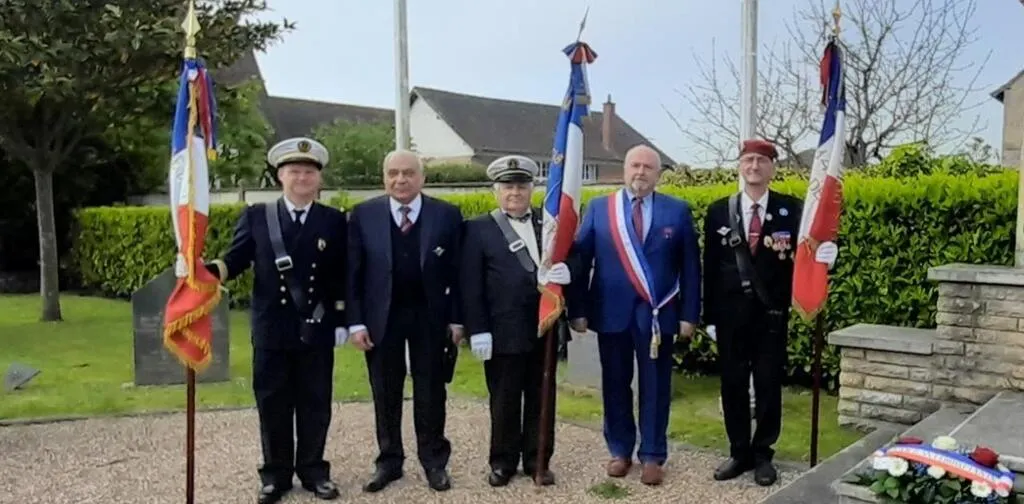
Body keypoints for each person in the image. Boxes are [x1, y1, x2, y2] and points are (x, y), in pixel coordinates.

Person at [205, 137, 347, 503]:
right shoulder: (256, 216)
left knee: (316, 402)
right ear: (280, 176)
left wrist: (344, 318)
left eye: (309, 172)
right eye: (294, 171)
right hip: (272, 328)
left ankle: (314, 471)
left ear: (319, 179)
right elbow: (234, 260)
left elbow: (341, 275)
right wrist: (205, 273)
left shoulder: (333, 220)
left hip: (316, 326)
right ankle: (276, 475)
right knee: (272, 402)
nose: (302, 177)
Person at [702, 139, 837, 486]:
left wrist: (827, 257)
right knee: (732, 385)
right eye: (748, 160)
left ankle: (763, 454)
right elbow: (710, 269)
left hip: (771, 316)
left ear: (772, 168)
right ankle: (738, 452)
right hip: (730, 317)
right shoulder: (719, 211)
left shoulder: (791, 210)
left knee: (767, 386)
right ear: (739, 166)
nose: (754, 167)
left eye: (762, 161)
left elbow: (809, 254)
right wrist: (710, 317)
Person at [567, 144, 701, 486]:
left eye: (648, 167)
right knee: (614, 384)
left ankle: (654, 454)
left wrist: (690, 314)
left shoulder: (678, 211)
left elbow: (690, 268)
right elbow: (580, 263)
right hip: (611, 313)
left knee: (656, 386)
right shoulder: (599, 209)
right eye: (635, 166)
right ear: (625, 170)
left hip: (659, 315)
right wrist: (578, 309)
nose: (640, 172)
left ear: (658, 174)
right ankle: (620, 450)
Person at [346, 149, 464, 493]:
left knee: (431, 391)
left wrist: (458, 319)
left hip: (431, 317)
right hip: (382, 318)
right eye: (393, 173)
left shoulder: (447, 215)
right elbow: (353, 274)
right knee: (385, 391)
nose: (401, 180)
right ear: (384, 177)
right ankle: (389, 462)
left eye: (408, 173)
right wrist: (356, 323)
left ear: (421, 177)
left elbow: (458, 273)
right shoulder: (363, 215)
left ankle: (434, 461)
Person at [459, 155, 573, 487]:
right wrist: (477, 330)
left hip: (544, 326)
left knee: (542, 397)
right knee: (505, 400)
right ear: (496, 189)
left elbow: (572, 257)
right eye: (508, 186)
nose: (515, 192)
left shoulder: (549, 224)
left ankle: (539, 460)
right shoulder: (478, 228)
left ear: (532, 188)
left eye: (522, 185)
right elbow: (471, 285)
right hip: (501, 331)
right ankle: (502, 462)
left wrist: (571, 272)